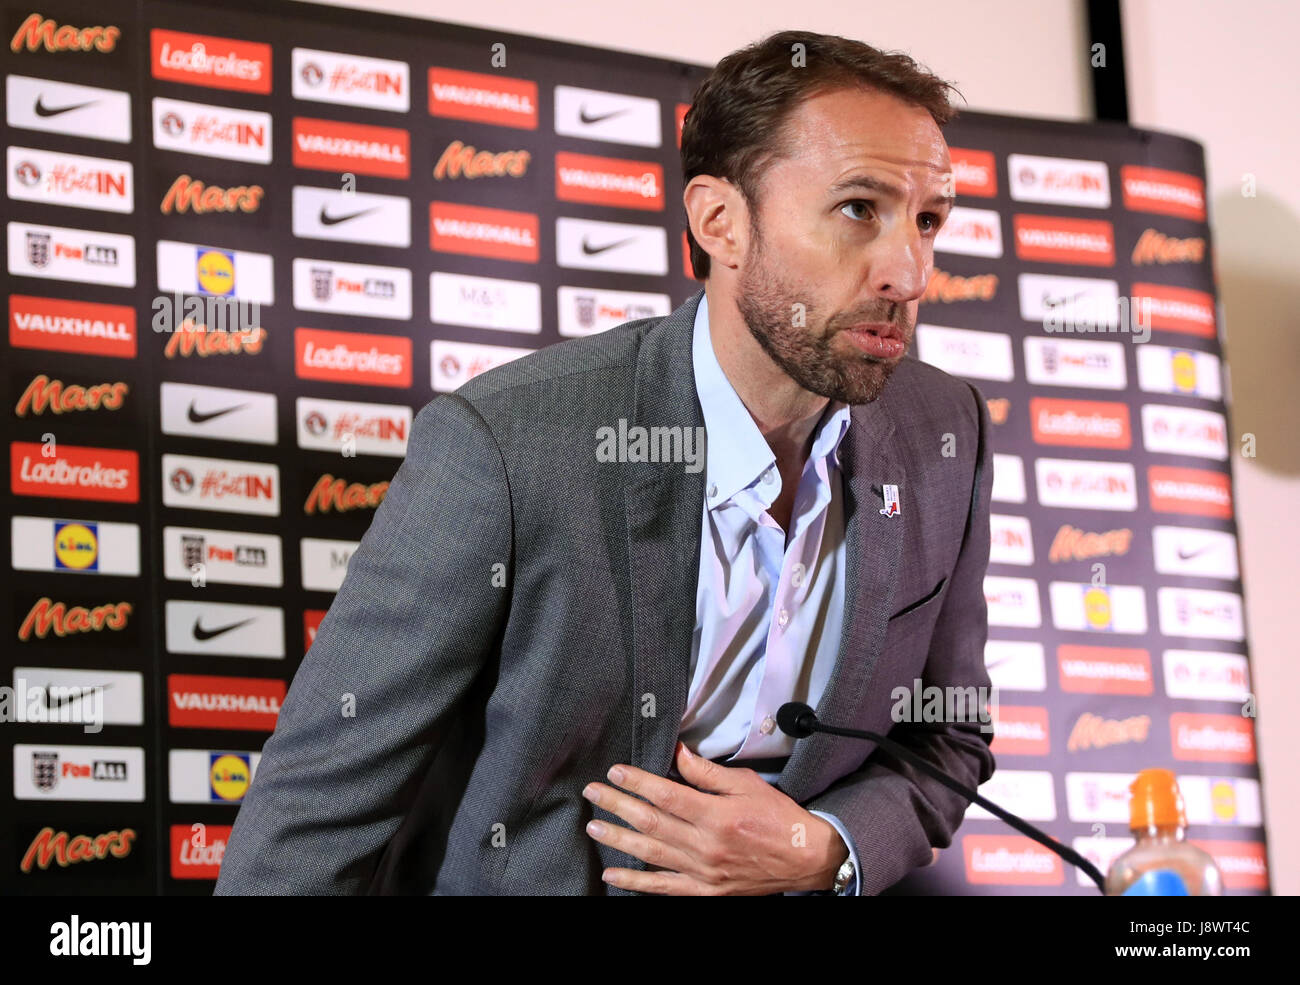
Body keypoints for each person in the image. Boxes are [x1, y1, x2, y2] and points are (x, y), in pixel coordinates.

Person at [215, 29, 996, 896]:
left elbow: (946, 739)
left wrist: (823, 847)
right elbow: (317, 810)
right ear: (720, 221)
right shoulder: (509, 443)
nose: (909, 270)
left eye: (928, 220)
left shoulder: (944, 431)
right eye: (859, 209)